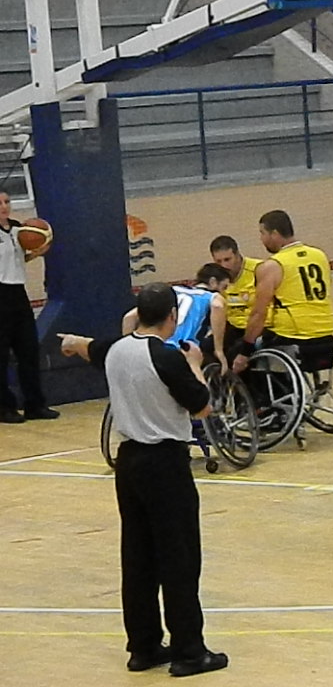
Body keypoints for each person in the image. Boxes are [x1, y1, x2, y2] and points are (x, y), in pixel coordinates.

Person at [58, 283, 228, 676]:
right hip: (165, 464)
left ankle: (144, 646)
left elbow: (89, 348)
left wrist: (70, 342)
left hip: (128, 463)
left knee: (138, 557)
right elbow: (202, 407)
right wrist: (197, 365)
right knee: (179, 558)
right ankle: (190, 650)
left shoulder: (117, 350)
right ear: (173, 316)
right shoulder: (168, 359)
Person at [231, 210, 333, 374]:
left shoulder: (273, 266)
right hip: (325, 329)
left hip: (294, 334)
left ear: (274, 234)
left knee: (238, 349)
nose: (261, 239)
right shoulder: (319, 255)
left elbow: (259, 313)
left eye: (262, 233)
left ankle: (257, 398)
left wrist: (244, 352)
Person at [0, 190, 59, 423]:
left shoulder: (20, 230)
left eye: (7, 202)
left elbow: (15, 260)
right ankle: (5, 407)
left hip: (18, 294)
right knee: (1, 356)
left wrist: (36, 253)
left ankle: (35, 405)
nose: (4, 206)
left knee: (29, 352)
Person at [121, 264, 231, 374]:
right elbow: (218, 307)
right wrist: (219, 351)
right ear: (212, 282)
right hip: (184, 350)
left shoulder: (172, 290)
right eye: (224, 287)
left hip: (155, 347)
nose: (224, 292)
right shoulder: (212, 297)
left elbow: (129, 317)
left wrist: (129, 346)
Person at [208, 234, 267, 355]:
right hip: (232, 326)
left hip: (257, 327)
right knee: (205, 347)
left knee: (235, 353)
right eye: (218, 261)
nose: (223, 265)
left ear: (237, 255)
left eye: (227, 259)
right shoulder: (216, 277)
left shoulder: (259, 269)